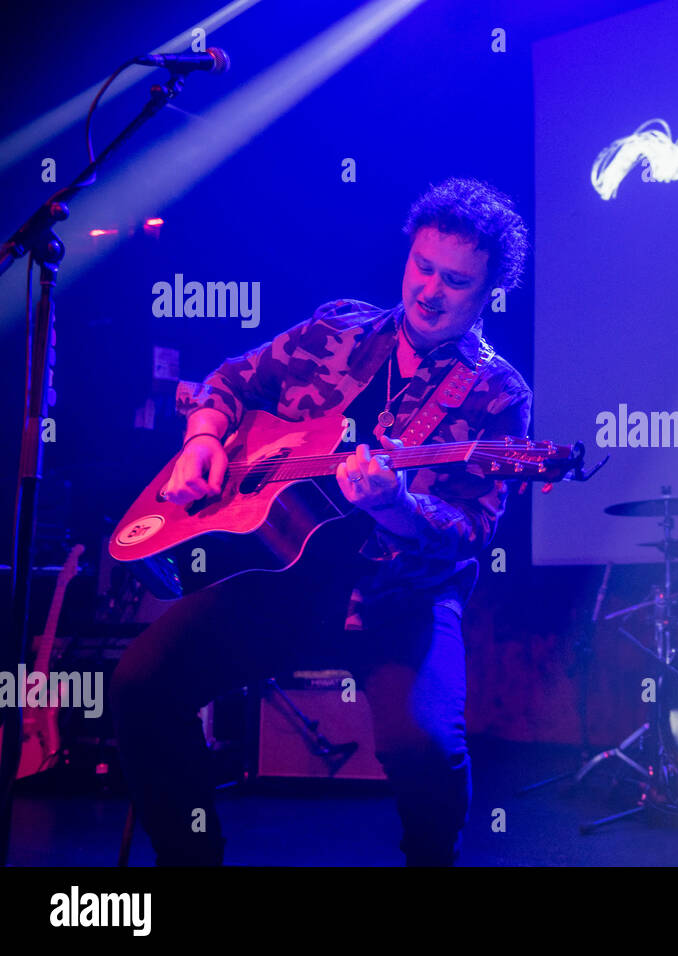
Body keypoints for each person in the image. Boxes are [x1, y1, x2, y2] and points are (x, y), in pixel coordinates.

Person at [109, 177, 532, 866]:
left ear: (489, 292)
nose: (429, 290)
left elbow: (470, 528)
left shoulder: (497, 392)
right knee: (139, 683)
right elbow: (228, 382)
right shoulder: (338, 328)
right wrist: (204, 441)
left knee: (424, 748)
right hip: (279, 579)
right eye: (422, 266)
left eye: (455, 280)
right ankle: (191, 859)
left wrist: (395, 505)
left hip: (400, 600)